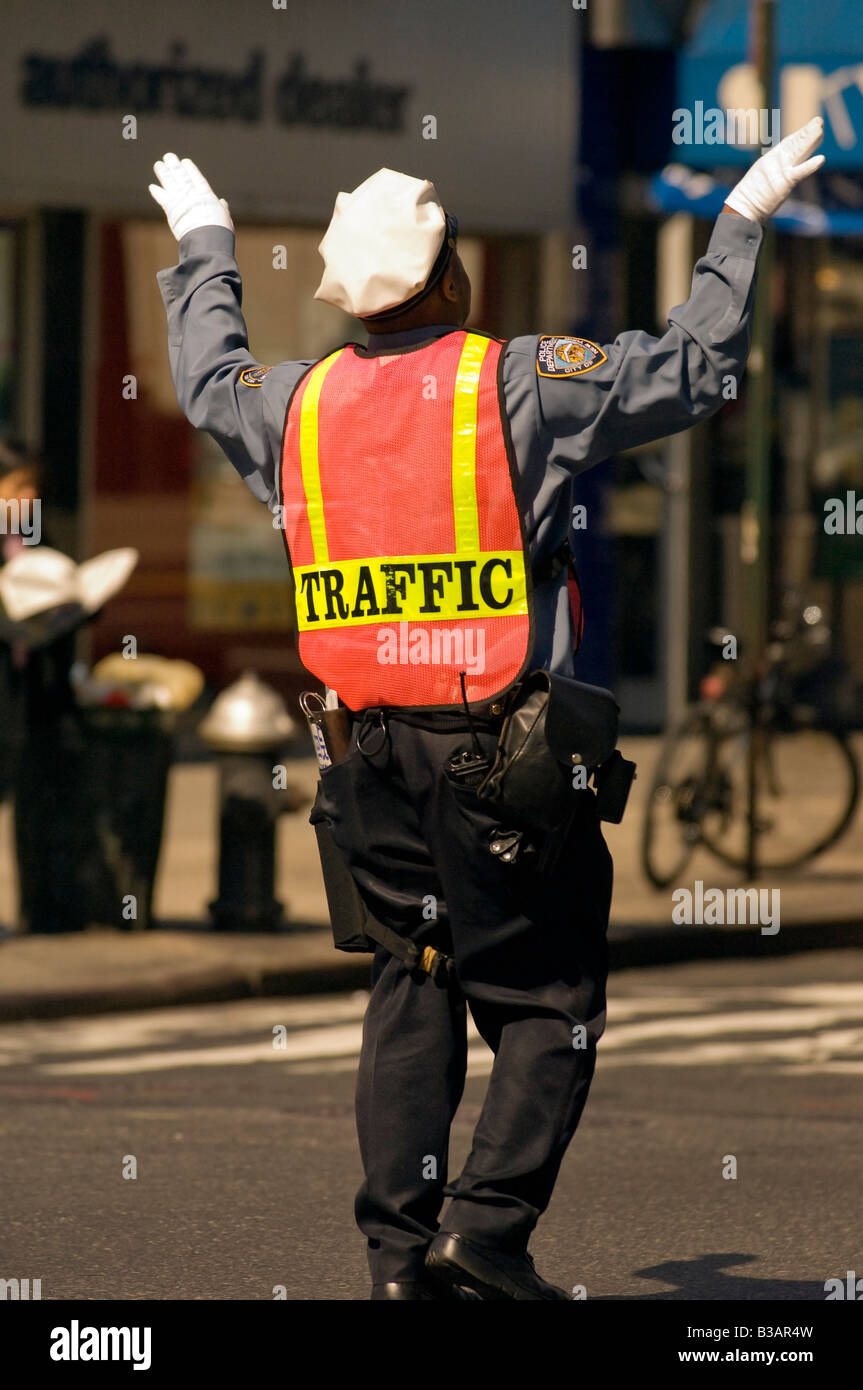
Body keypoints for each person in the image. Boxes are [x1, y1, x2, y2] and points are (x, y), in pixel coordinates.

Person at [150, 117, 825, 1299]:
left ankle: (399, 1259)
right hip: (505, 764)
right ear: (450, 273)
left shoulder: (297, 404)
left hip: (365, 765)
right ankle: (486, 1233)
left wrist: (206, 243)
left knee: (412, 986)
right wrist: (740, 223)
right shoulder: (509, 379)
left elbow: (210, 379)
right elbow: (684, 373)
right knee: (547, 996)